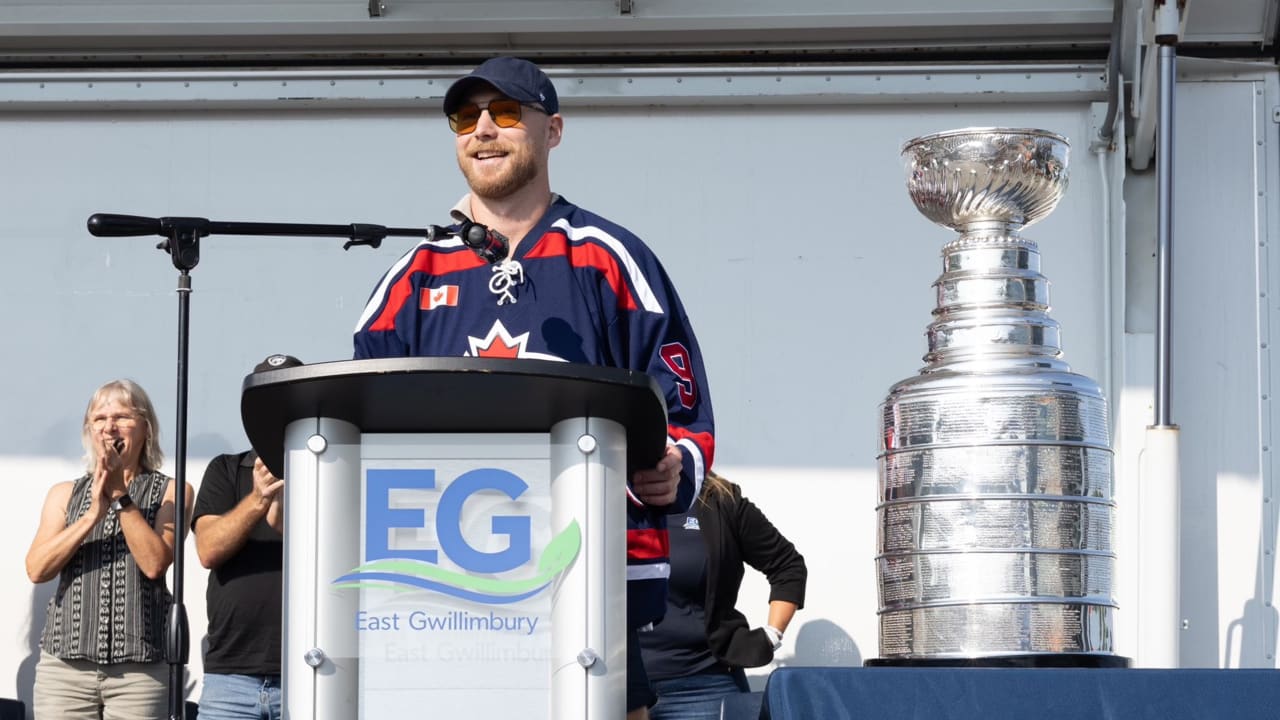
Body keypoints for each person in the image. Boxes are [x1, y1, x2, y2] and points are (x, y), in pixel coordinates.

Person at [352, 56, 715, 719]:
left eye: (507, 112)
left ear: (553, 131)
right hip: (441, 600)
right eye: (468, 116)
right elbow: (357, 421)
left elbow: (679, 394)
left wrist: (673, 462)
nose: (484, 129)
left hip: (586, 585)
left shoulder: (609, 256)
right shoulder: (411, 273)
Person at [25, 379, 193, 720]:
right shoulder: (64, 493)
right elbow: (37, 569)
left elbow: (155, 565)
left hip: (139, 672)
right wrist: (91, 516)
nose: (109, 426)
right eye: (99, 418)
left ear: (145, 428)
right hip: (65, 669)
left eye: (121, 417)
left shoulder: (173, 491)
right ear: (89, 430)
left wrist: (120, 498)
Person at [639, 470, 806, 720]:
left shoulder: (719, 500)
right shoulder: (602, 497)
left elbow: (787, 565)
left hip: (702, 687)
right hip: (612, 686)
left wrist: (772, 635)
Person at [191, 354, 301, 720]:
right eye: (265, 400)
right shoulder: (225, 469)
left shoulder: (334, 470)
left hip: (310, 671)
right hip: (231, 678)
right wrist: (258, 499)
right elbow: (207, 550)